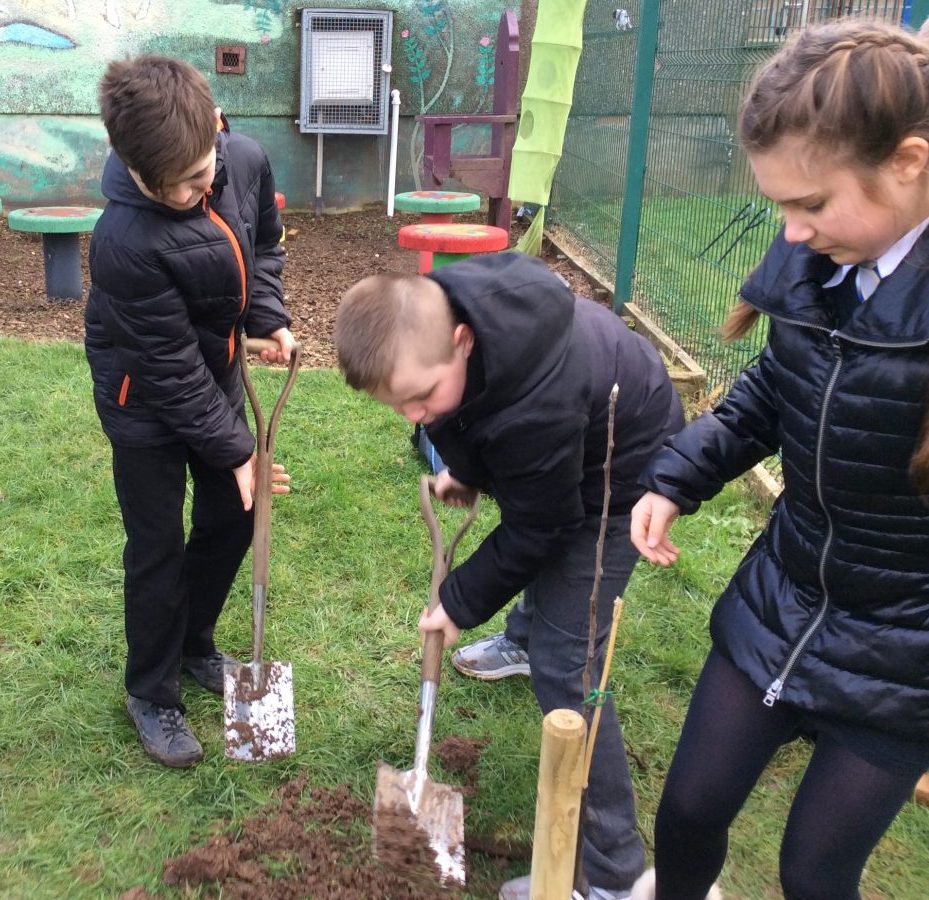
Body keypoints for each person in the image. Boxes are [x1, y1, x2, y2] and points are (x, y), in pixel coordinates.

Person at [627, 19, 929, 900]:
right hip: (783, 596)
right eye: (778, 208)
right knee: (687, 808)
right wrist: (676, 478)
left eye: (811, 205)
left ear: (908, 163)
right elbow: (772, 388)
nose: (790, 234)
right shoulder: (818, 260)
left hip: (905, 650)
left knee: (814, 873)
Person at [334, 252, 684, 899]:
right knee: (535, 534)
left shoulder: (535, 409)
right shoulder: (449, 313)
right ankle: (523, 639)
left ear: (461, 342)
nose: (414, 416)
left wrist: (458, 601)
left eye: (419, 397)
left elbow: (542, 524)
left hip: (620, 474)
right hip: (568, 443)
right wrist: (467, 469)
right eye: (397, 405)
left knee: (567, 662)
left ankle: (612, 872)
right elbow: (464, 411)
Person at [85, 55, 296, 768]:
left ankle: (194, 642)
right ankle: (151, 690)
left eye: (202, 174)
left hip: (213, 376)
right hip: (142, 401)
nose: (191, 191)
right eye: (170, 185)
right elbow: (168, 372)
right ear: (131, 164)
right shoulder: (121, 242)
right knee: (157, 549)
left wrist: (265, 313)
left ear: (215, 126)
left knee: (232, 517)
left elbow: (262, 247)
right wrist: (238, 450)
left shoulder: (243, 158)